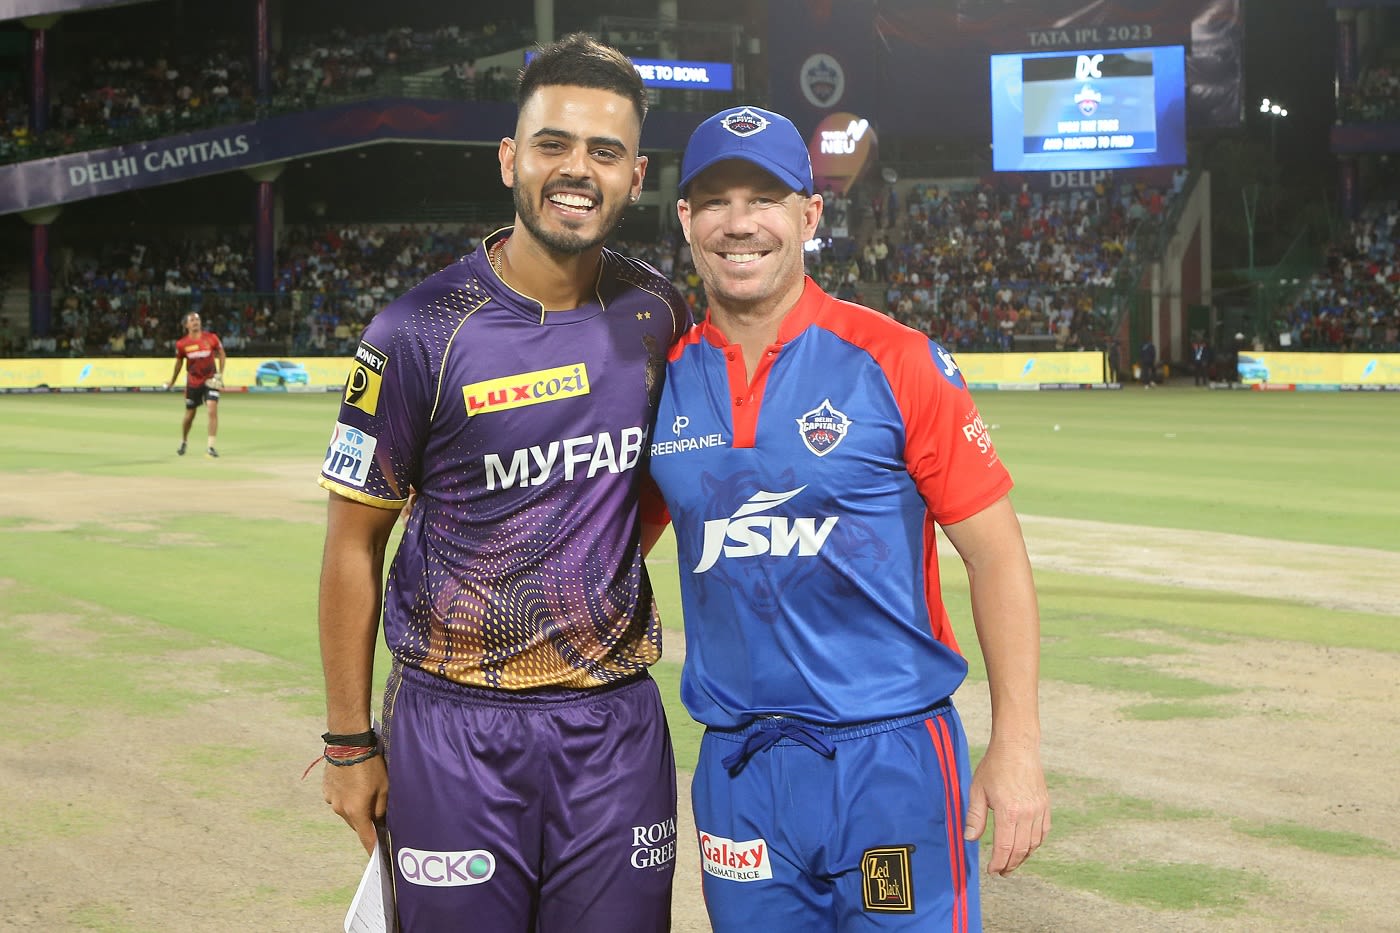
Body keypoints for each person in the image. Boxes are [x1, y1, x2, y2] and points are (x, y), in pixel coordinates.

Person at [315, 34, 689, 932]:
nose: (577, 169)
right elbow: (351, 542)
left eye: (605, 151)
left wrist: (581, 561)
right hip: (454, 730)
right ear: (509, 158)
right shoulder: (415, 330)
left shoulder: (659, 314)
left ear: (636, 175)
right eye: (553, 143)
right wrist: (346, 740)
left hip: (615, 728)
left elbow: (665, 479)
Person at [643, 105, 1049, 931]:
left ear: (809, 213)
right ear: (685, 219)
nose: (739, 222)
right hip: (739, 767)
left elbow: (998, 556)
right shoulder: (661, 381)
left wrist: (1018, 745)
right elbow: (602, 543)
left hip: (889, 758)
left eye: (765, 197)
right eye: (715, 200)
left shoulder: (898, 360)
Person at [162, 311, 226, 457]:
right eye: (192, 320)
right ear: (186, 325)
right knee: (190, 415)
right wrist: (172, 381)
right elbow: (179, 363)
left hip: (211, 380)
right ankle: (184, 441)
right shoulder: (182, 344)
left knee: (212, 409)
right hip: (193, 383)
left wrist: (220, 374)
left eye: (197, 319)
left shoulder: (211, 338)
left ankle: (210, 447)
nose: (196, 322)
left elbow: (222, 353)